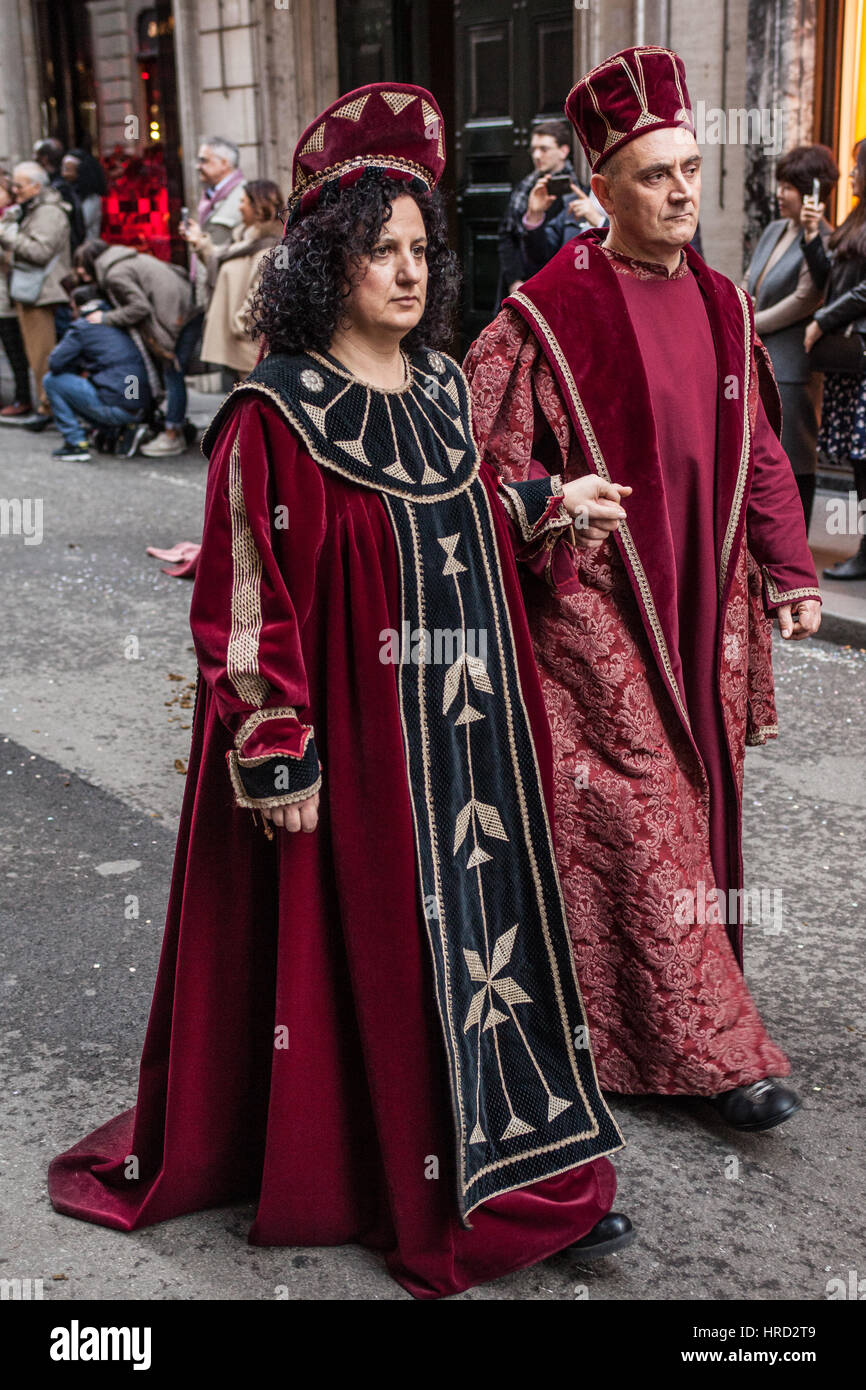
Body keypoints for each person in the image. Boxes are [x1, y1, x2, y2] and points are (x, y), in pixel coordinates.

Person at [48, 82, 634, 1301]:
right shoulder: (276, 416)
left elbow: (453, 516)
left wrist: (542, 503)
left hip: (474, 744)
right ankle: (413, 1181)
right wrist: (277, 752)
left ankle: (525, 1165)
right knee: (396, 954)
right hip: (364, 753)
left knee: (492, 944)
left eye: (422, 250)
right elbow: (248, 607)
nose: (411, 274)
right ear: (329, 263)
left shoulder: (433, 391)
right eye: (383, 251)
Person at [465, 47, 823, 1133]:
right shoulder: (544, 308)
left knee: (691, 814)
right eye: (656, 174)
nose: (681, 193)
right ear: (603, 188)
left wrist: (791, 566)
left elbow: (757, 445)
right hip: (592, 609)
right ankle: (714, 1059)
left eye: (690, 170)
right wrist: (549, 500)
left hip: (700, 597)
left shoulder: (720, 303)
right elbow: (474, 463)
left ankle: (632, 1034)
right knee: (643, 818)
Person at [743, 144, 839, 531]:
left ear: (813, 191)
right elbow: (752, 278)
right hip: (759, 354)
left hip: (794, 364)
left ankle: (795, 541)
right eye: (779, 184)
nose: (780, 193)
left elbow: (806, 299)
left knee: (796, 456)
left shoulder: (825, 242)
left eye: (789, 187)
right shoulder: (774, 228)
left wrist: (751, 322)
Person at [801, 140, 866, 579]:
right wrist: (811, 238)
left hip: (861, 357)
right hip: (850, 364)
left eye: (859, 166)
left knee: (865, 462)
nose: (852, 173)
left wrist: (821, 321)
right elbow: (832, 278)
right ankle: (864, 547)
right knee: (860, 464)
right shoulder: (855, 218)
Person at [73, 237, 195, 457]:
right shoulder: (125, 259)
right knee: (173, 373)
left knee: (172, 372)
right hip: (186, 307)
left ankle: (172, 434)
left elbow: (139, 307)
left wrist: (107, 317)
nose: (82, 276)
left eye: (82, 271)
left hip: (178, 316)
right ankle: (175, 426)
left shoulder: (114, 274)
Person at [184, 179, 283, 379]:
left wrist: (240, 325)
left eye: (243, 201)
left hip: (249, 350)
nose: (239, 207)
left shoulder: (272, 248)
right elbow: (219, 258)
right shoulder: (246, 241)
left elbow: (263, 296)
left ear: (258, 206)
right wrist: (199, 241)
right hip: (239, 347)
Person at [42, 283, 152, 462]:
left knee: (52, 381)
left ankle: (76, 443)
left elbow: (55, 362)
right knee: (116, 384)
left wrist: (79, 366)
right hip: (138, 405)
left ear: (78, 307)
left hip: (117, 406)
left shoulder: (83, 327)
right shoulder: (118, 321)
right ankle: (123, 428)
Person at [0, 162, 71, 426]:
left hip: (43, 293)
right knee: (36, 355)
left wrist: (7, 236)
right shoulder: (35, 210)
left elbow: (39, 253)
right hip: (33, 292)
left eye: (19, 184)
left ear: (36, 186)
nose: (14, 189)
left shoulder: (49, 213)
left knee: (43, 356)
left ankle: (47, 408)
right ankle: (47, 406)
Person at [495, 120, 576, 310]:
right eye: (534, 150)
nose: (537, 155)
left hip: (555, 288)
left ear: (563, 151)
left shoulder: (577, 192)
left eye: (544, 149)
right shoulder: (525, 188)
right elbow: (506, 235)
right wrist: (515, 279)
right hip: (520, 284)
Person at [185, 135, 246, 309]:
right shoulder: (209, 196)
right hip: (208, 292)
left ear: (224, 163)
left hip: (228, 295)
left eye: (204, 161)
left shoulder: (244, 195)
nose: (198, 167)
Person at [0, 169, 34, 418]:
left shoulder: (13, 218)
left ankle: (24, 398)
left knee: (15, 350)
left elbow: (16, 252)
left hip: (8, 294)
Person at [61, 148, 106, 241]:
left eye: (68, 169)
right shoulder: (67, 190)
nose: (64, 174)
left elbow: (81, 222)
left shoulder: (92, 198)